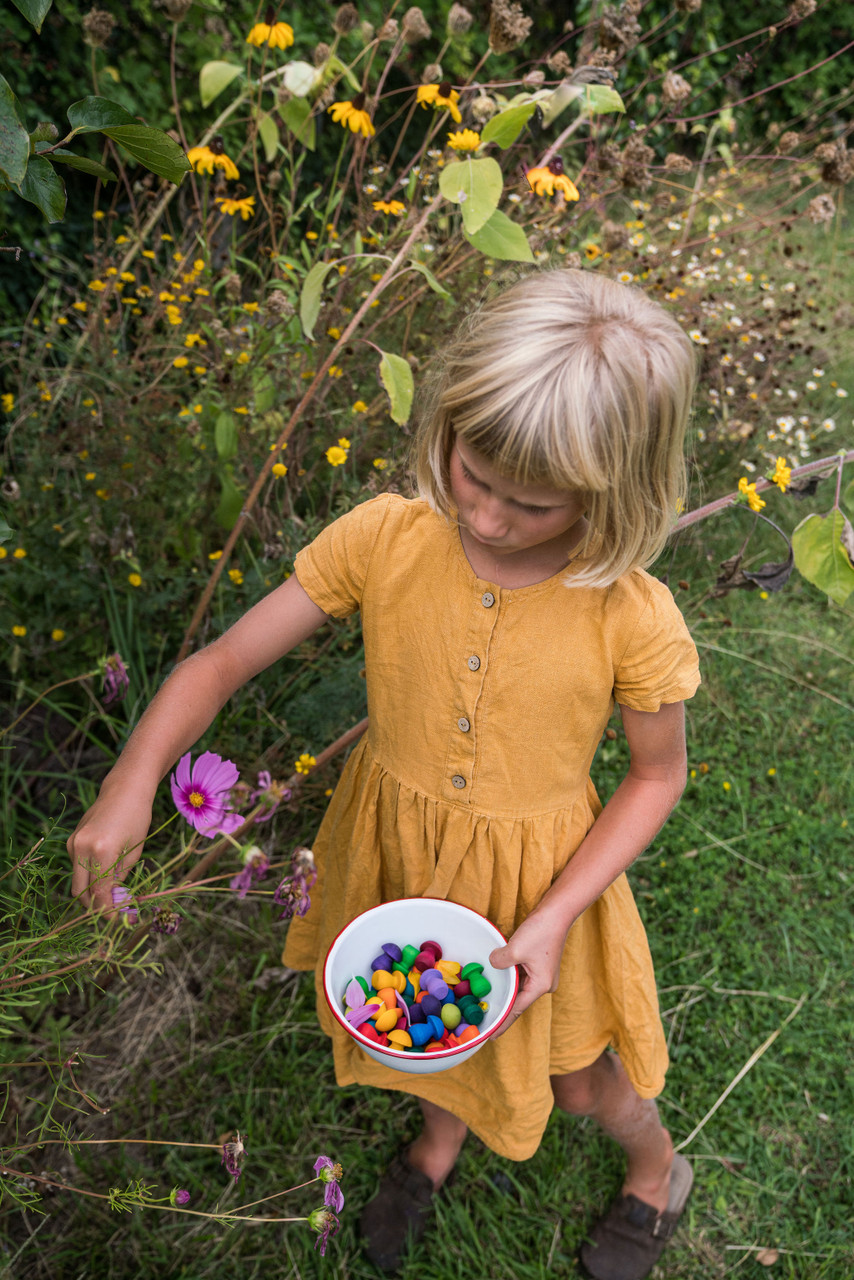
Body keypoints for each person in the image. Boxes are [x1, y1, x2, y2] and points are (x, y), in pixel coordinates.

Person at [68, 269, 700, 1280]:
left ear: (610, 492)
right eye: (472, 474)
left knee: (579, 1077)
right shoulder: (386, 538)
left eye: (531, 503)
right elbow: (221, 661)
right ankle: (439, 1138)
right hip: (399, 852)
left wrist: (552, 916)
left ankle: (655, 1166)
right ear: (447, 425)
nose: (487, 518)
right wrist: (130, 780)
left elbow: (655, 776)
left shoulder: (628, 613)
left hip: (545, 884)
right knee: (420, 1022)